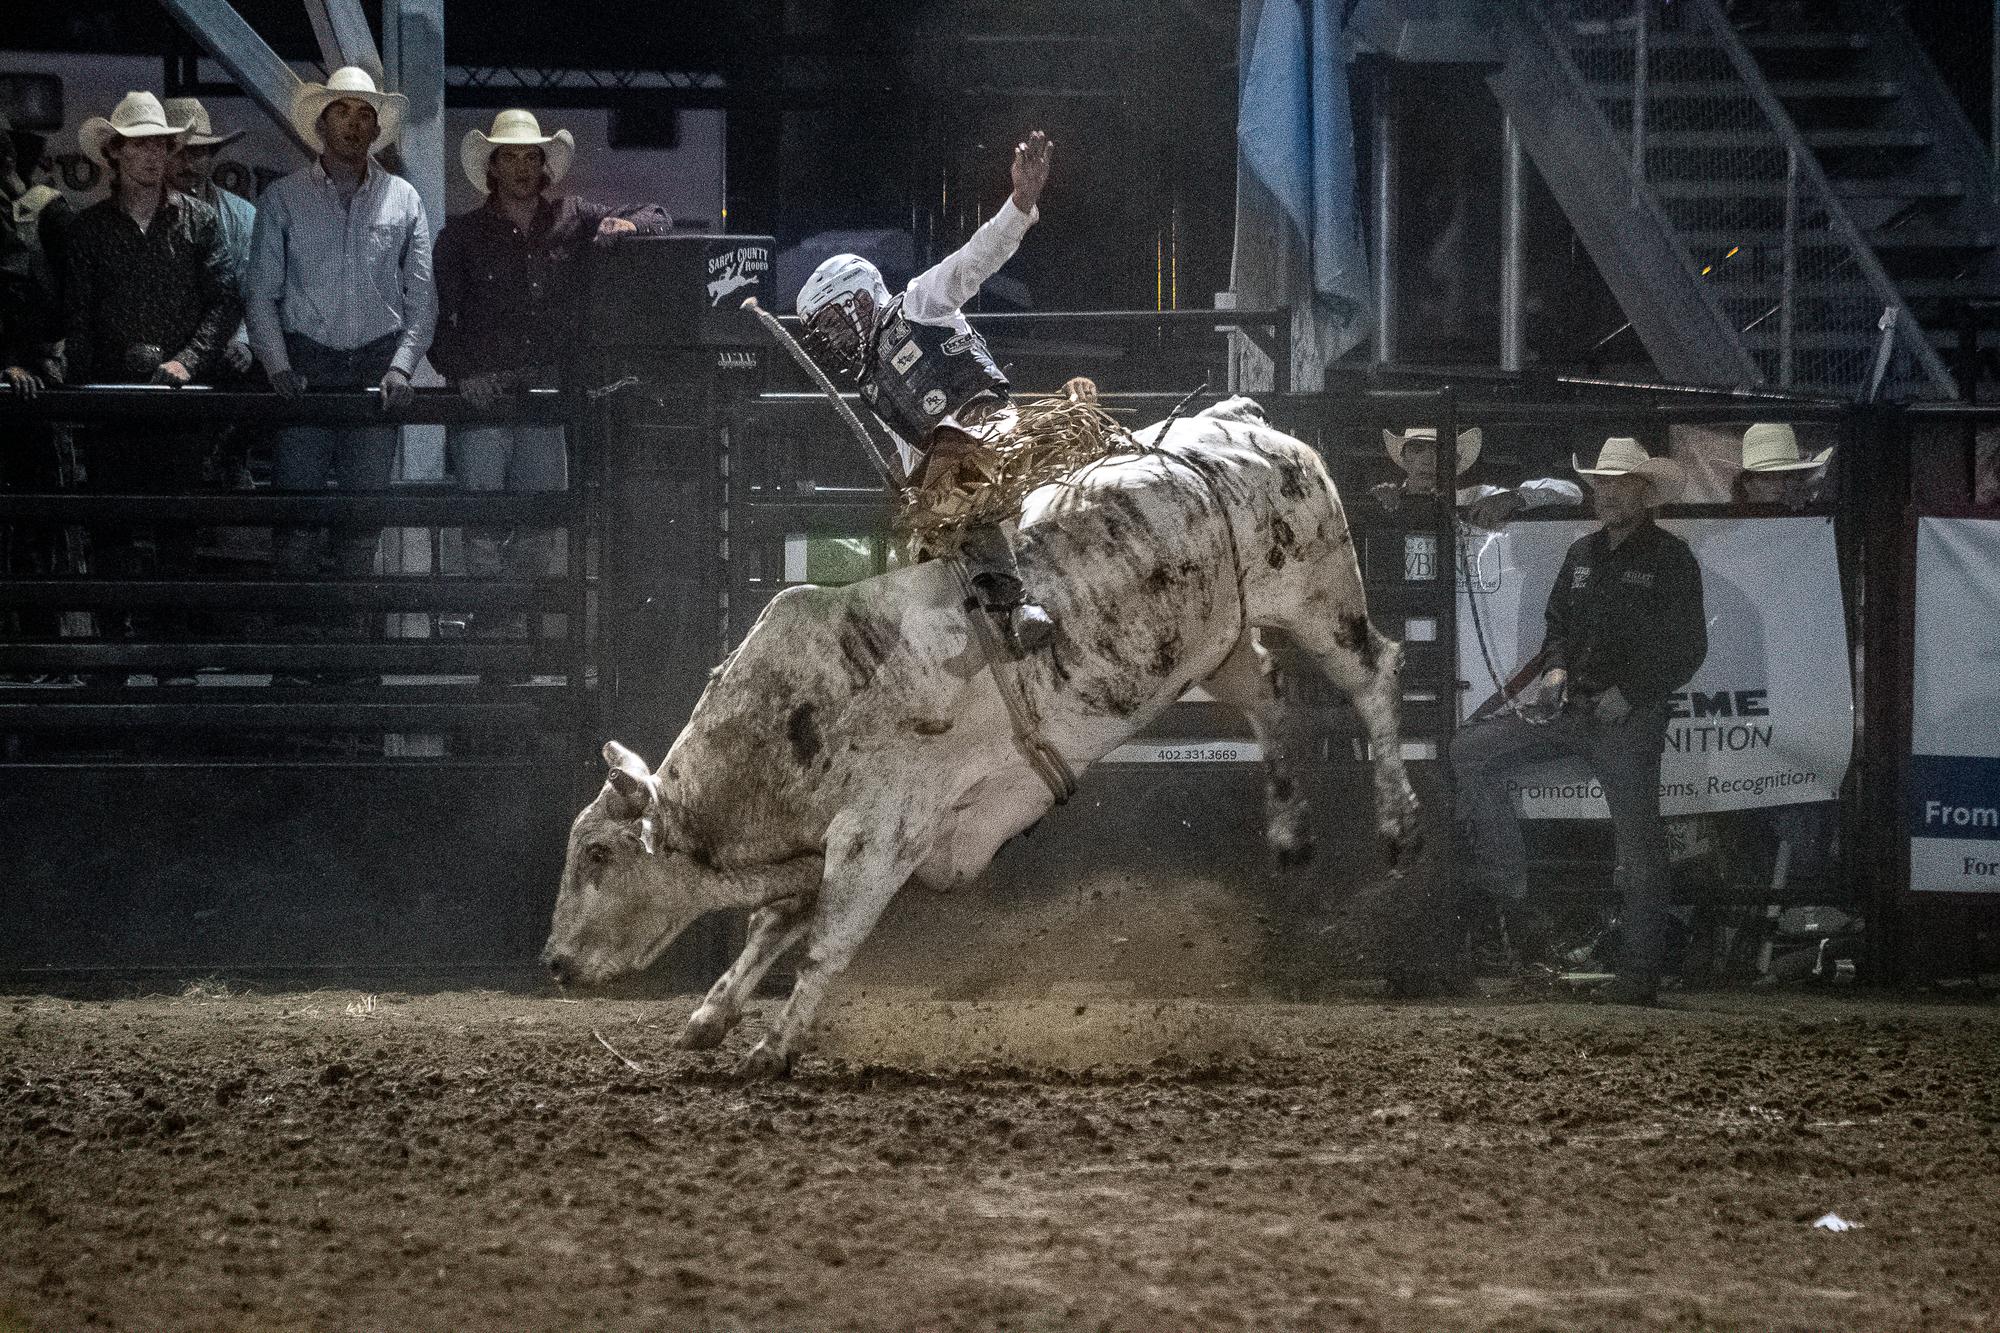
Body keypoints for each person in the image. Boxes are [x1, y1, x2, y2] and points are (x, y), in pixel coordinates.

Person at [1450, 437, 1708, 1005]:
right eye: (1602, 484)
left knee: (1637, 840)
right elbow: (1558, 624)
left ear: (1644, 494)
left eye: (1618, 484)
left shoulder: (1671, 558)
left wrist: (1632, 691)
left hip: (1627, 717)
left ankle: (1640, 972)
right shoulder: (1582, 554)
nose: (1606, 493)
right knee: (1471, 751)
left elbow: (1687, 645)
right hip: (1579, 709)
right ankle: (1514, 896)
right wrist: (1557, 671)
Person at [794, 130, 1055, 653]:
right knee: (921, 529)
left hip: (987, 428)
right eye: (827, 334)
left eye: (837, 324)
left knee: (953, 473)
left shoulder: (919, 304)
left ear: (861, 301)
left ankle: (1018, 602)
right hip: (945, 462)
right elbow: (913, 448)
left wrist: (1020, 204)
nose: (837, 341)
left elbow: (974, 260)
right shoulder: (871, 382)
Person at [431, 109, 670, 640]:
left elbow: (656, 213)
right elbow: (439, 328)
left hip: (545, 397)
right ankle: (496, 642)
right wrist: (463, 376)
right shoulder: (461, 237)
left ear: (543, 166)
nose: (521, 166)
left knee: (539, 528)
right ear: (492, 168)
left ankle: (520, 639)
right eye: (510, 157)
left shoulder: (574, 216)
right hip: (489, 397)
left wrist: (625, 223)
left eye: (530, 157)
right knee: (482, 529)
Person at [244, 66, 435, 581]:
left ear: (376, 129)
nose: (353, 124)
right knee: (297, 520)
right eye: (342, 112)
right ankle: (300, 656)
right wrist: (278, 363)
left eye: (364, 114)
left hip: (375, 365)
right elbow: (259, 292)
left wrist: (400, 365)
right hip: (304, 364)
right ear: (322, 125)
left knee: (362, 522)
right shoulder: (282, 198)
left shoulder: (404, 198)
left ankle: (349, 656)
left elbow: (423, 298)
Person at [61, 92, 241, 613]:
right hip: (111, 401)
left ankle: (172, 657)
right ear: (115, 153)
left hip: (176, 398)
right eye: (139, 146)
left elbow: (225, 300)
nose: (152, 156)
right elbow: (78, 316)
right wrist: (83, 386)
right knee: (111, 533)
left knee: (178, 534)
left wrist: (190, 358)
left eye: (159, 146)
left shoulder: (199, 221)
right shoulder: (88, 230)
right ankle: (114, 656)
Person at [164, 98, 255, 381]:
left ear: (212, 155)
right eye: (178, 152)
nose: (187, 163)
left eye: (198, 152)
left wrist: (244, 341)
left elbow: (256, 290)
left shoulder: (242, 216)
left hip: (223, 359)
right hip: (161, 353)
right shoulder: (142, 215)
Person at [1373, 426, 1582, 530]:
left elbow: (1571, 492)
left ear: (1455, 461)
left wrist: (1514, 498)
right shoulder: (1382, 499)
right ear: (1404, 458)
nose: (1428, 458)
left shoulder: (1474, 497)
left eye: (1439, 450)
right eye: (1418, 449)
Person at [1731, 421, 1830, 510]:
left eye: (1787, 476)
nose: (1780, 485)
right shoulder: (1732, 520)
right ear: (1748, 483)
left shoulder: (1800, 510)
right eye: (1768, 478)